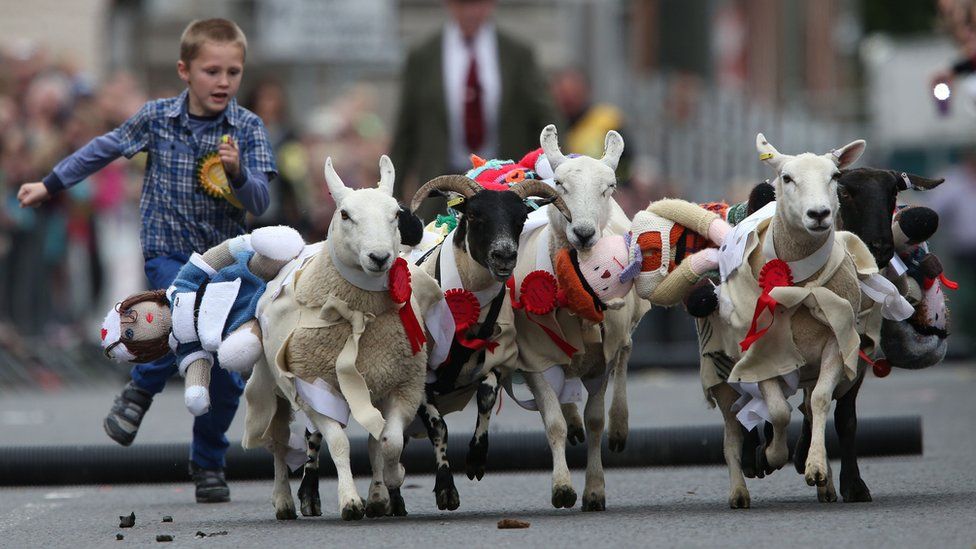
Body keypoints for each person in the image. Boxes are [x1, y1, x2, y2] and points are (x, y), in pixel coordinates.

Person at [17, 18, 277, 503]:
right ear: (184, 70)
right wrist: (49, 183)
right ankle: (140, 390)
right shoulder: (156, 118)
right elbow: (102, 150)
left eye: (233, 72)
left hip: (225, 266)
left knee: (223, 371)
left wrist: (239, 174)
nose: (223, 82)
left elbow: (260, 202)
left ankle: (208, 463)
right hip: (170, 254)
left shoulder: (247, 127)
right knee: (177, 323)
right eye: (211, 70)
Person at [389, 0, 560, 219]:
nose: (470, 12)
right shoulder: (423, 56)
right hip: (442, 191)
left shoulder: (517, 54)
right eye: (462, 4)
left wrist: (558, 175)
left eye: (477, 4)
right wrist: (393, 202)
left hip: (506, 185)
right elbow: (405, 132)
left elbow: (545, 119)